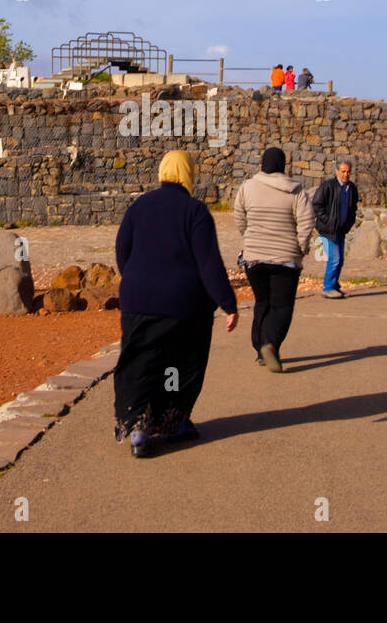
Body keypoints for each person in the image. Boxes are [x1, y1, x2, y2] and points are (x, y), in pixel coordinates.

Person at [113, 150, 238, 458]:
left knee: (139, 362)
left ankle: (137, 428)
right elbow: (208, 262)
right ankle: (173, 422)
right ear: (188, 173)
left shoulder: (139, 207)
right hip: (183, 306)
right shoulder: (194, 211)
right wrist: (227, 302)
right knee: (178, 365)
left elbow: (122, 250)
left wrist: (136, 280)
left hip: (137, 300)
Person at [234, 147, 314, 373]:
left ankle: (259, 349)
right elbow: (306, 222)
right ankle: (270, 344)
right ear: (283, 165)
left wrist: (249, 237)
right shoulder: (296, 190)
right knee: (281, 306)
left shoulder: (247, 187)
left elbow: (239, 216)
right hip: (285, 258)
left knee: (262, 302)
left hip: (254, 258)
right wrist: (300, 248)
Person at [311, 158, 359, 298]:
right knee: (335, 258)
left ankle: (335, 286)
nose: (345, 174)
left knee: (340, 260)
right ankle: (328, 288)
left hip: (341, 229)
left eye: (348, 172)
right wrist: (327, 221)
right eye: (343, 171)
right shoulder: (328, 186)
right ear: (337, 171)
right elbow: (317, 205)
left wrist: (349, 222)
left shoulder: (351, 188)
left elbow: (353, 207)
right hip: (328, 230)